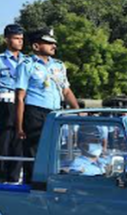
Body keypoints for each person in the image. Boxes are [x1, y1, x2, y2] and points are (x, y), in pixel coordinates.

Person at [16, 29, 80, 183]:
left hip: (56, 112)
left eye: (54, 43)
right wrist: (19, 126)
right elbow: (20, 96)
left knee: (55, 149)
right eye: (49, 43)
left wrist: (78, 110)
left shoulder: (58, 66)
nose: (54, 46)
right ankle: (31, 183)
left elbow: (66, 90)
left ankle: (51, 181)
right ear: (36, 46)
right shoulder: (27, 65)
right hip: (35, 112)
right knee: (34, 151)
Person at [0, 24, 27, 183]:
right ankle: (0, 178)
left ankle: (14, 178)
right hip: (5, 104)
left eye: (21, 39)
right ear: (7, 39)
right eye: (16, 38)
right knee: (3, 144)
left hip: (23, 103)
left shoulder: (26, 60)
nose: (20, 42)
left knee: (19, 141)